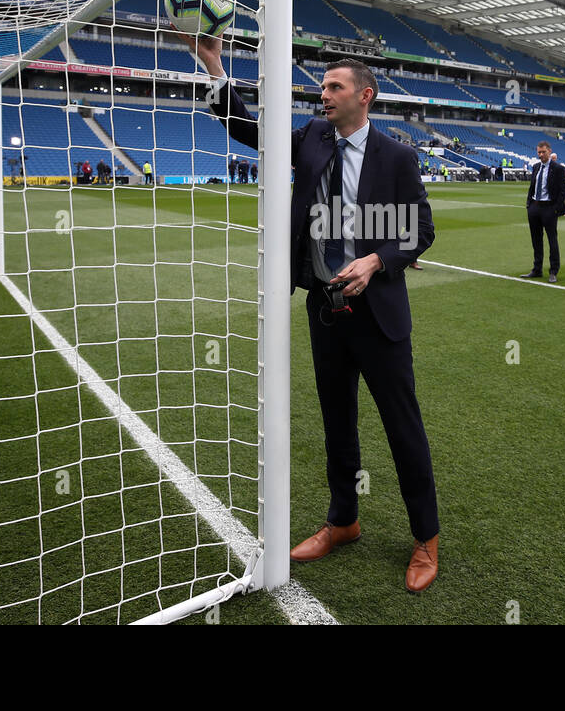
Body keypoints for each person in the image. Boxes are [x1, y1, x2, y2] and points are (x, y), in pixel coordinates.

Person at [181, 32, 441, 593]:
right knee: (336, 423)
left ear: (364, 95)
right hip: (326, 311)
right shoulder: (314, 138)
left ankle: (426, 537)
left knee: (402, 426)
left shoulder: (396, 156)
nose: (322, 94)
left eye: (334, 86)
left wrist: (377, 258)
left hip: (379, 315)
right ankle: (343, 521)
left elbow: (419, 230)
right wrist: (215, 66)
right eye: (322, 86)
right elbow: (251, 133)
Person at [520, 141, 565, 283]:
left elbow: (563, 191)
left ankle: (553, 271)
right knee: (536, 240)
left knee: (552, 239)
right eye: (539, 152)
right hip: (535, 207)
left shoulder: (558, 169)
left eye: (543, 152)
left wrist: (555, 209)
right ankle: (537, 269)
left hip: (549, 208)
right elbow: (532, 187)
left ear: (549, 151)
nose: (541, 155)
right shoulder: (536, 167)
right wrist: (529, 204)